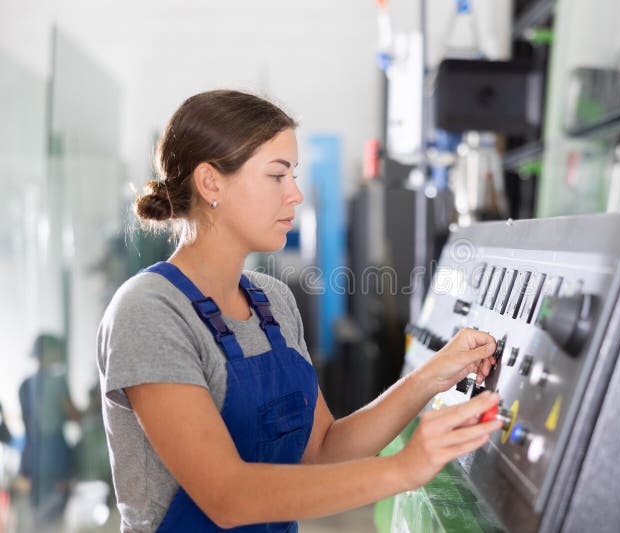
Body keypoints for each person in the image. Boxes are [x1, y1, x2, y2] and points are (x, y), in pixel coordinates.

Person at [96, 89, 501, 533]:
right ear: (211, 183)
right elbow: (227, 497)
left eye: (294, 174)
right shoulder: (150, 312)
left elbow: (321, 451)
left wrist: (434, 375)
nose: (296, 194)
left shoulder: (272, 301)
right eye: (277, 175)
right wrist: (403, 469)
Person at [19, 333, 81, 524]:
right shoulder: (57, 381)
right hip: (54, 452)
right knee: (55, 514)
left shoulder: (25, 385)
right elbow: (74, 415)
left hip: (31, 453)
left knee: (38, 514)